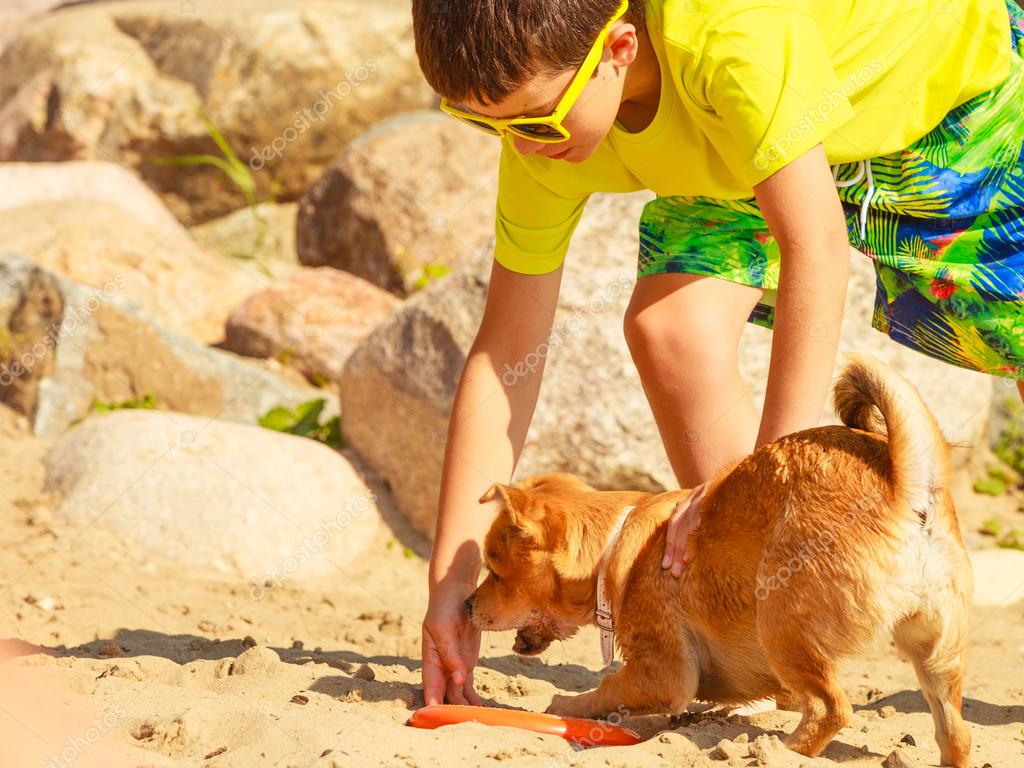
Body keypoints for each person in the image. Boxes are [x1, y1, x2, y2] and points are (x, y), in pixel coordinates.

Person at [412, 0, 1024, 706]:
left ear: (618, 48)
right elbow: (505, 349)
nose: (515, 145)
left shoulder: (725, 32)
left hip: (942, 98)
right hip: (743, 142)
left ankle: (772, 560)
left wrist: (767, 493)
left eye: (532, 120)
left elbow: (815, 248)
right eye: (482, 121)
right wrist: (451, 584)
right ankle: (761, 630)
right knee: (672, 329)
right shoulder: (537, 127)